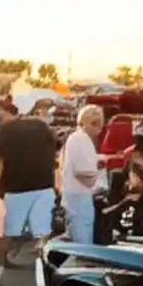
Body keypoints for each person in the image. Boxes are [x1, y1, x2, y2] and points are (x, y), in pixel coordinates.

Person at [0, 112, 57, 282]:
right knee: (42, 233)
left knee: (6, 231)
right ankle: (46, 270)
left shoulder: (4, 134)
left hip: (15, 188)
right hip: (44, 186)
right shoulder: (42, 129)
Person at [60, 105, 105, 245]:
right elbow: (82, 171)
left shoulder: (79, 138)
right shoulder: (79, 139)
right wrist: (96, 181)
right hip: (78, 197)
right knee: (82, 241)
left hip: (77, 196)